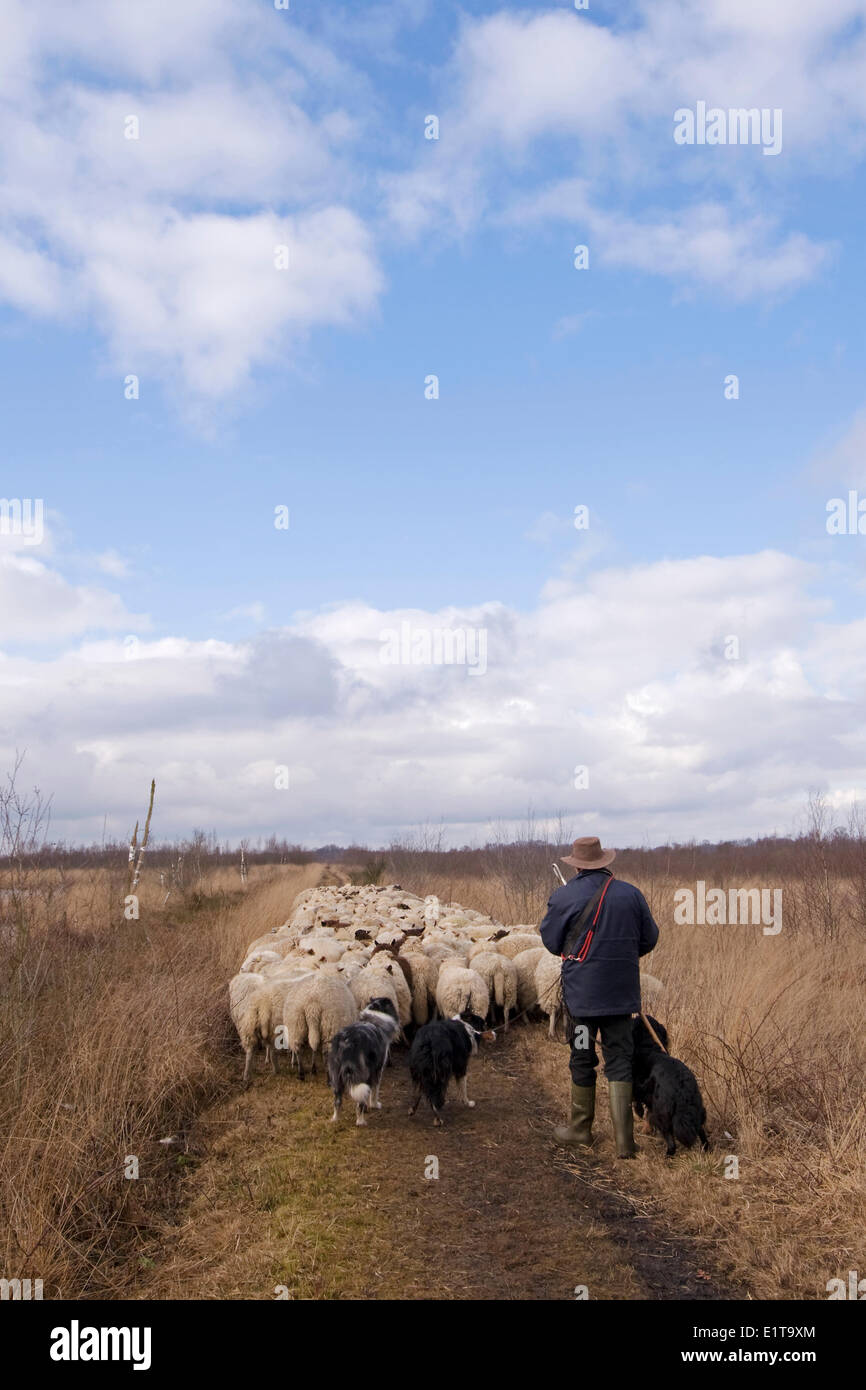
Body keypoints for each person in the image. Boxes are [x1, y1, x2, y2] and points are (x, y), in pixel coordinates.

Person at [539, 836, 659, 1158]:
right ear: (605, 861)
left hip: (581, 1003)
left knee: (581, 1055)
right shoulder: (631, 895)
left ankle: (580, 1129)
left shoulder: (564, 896)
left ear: (576, 864)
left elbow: (551, 943)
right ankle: (625, 1142)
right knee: (620, 1060)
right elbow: (650, 939)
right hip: (621, 1000)